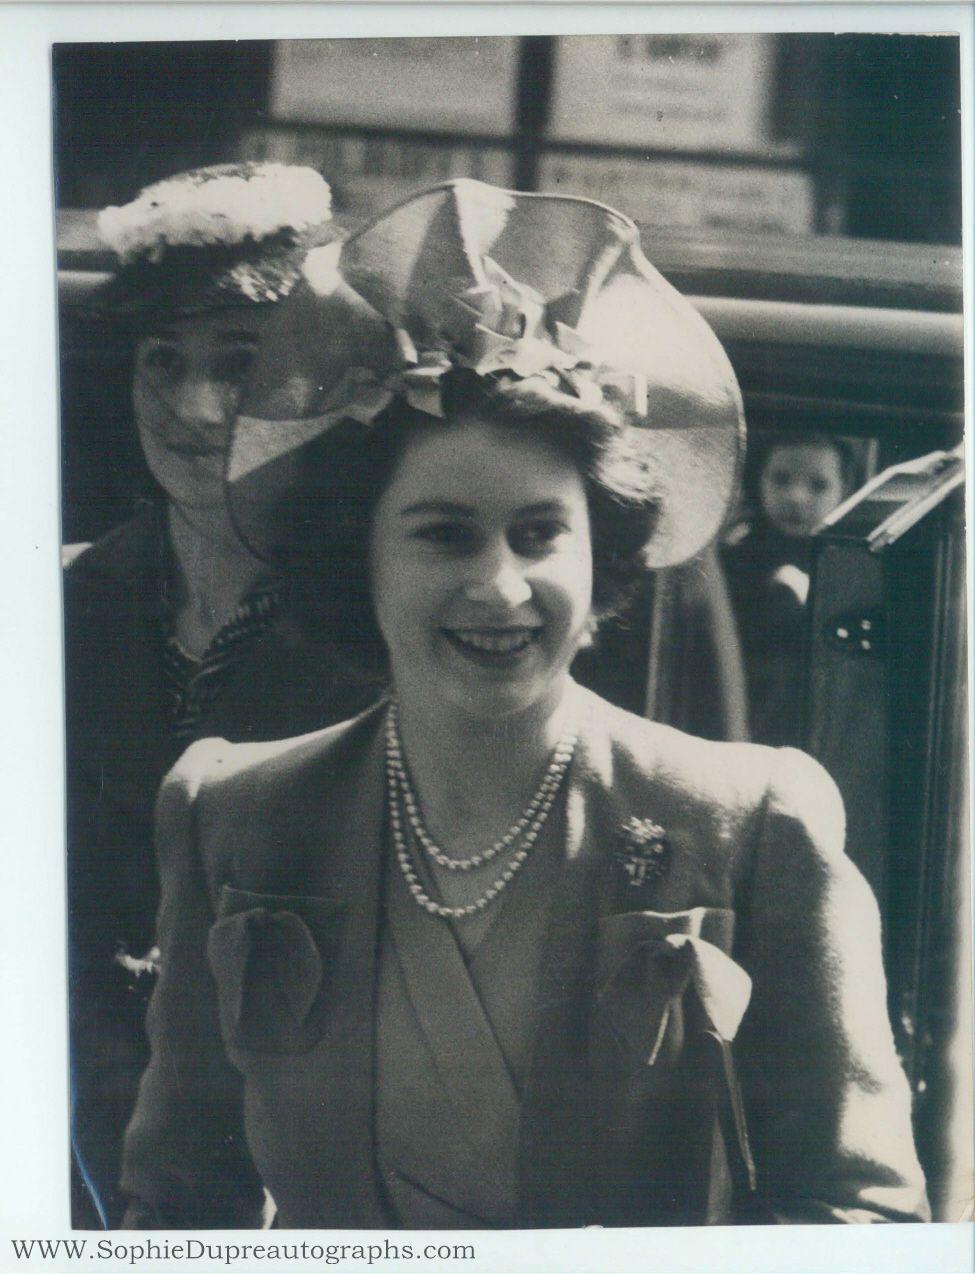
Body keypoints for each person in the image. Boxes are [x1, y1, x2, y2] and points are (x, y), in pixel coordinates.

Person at [120, 181, 927, 1228]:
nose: (501, 586)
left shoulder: (750, 821)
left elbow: (860, 1214)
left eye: (541, 534)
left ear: (606, 557)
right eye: (444, 533)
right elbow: (179, 1204)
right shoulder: (237, 812)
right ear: (358, 555)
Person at [64, 162, 380, 1228]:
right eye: (163, 360)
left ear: (313, 383)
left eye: (238, 363)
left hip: (305, 1175)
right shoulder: (60, 601)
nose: (194, 407)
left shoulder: (392, 628)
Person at [722, 433, 855, 745]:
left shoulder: (850, 566)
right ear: (759, 480)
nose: (796, 496)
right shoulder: (734, 559)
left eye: (818, 485)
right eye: (781, 479)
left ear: (844, 491)